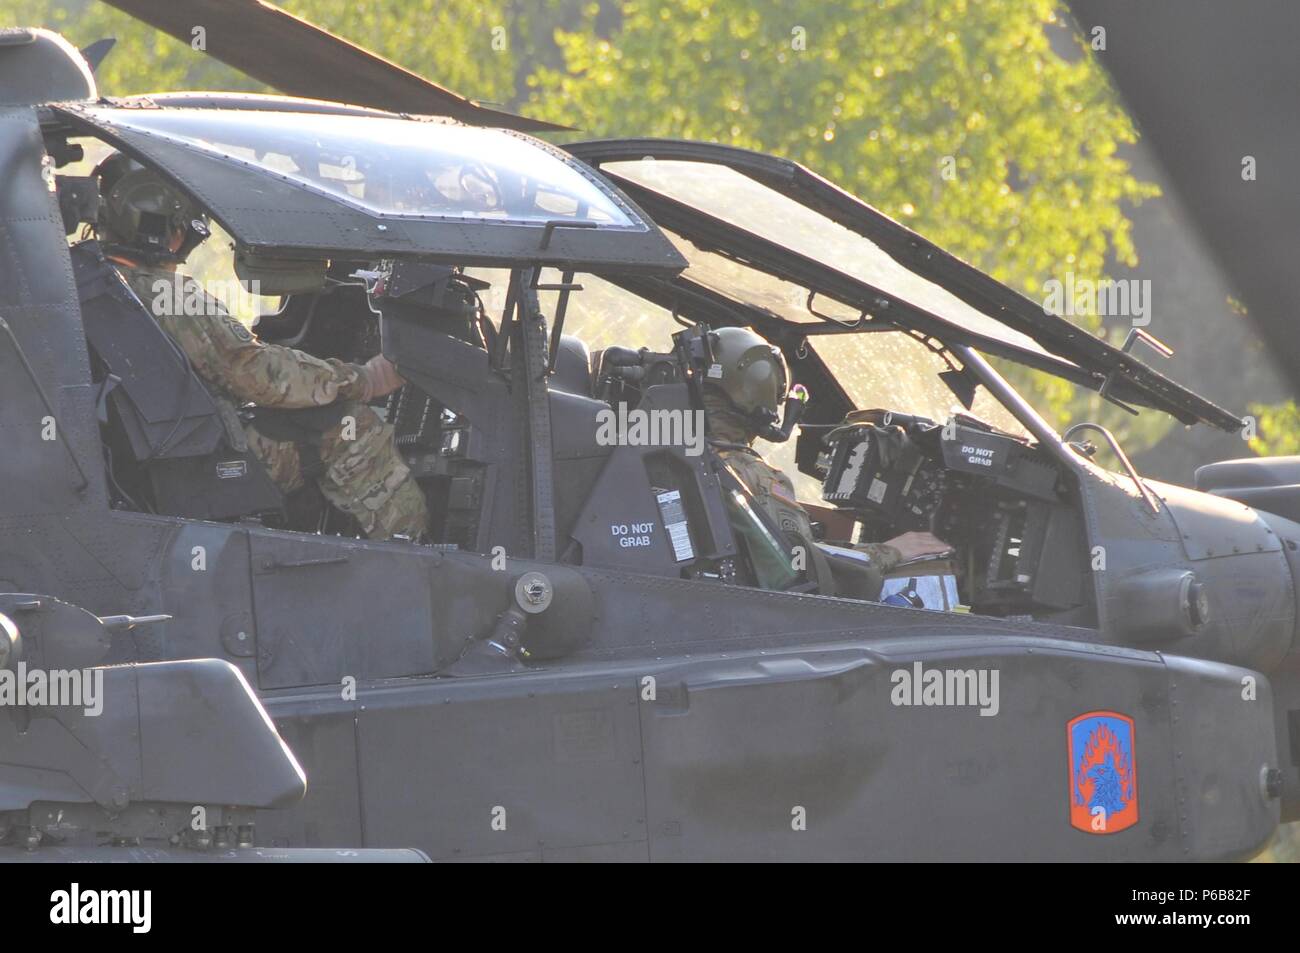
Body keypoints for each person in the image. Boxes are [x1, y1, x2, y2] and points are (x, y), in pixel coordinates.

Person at [93, 153, 428, 540]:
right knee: (352, 427)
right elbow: (256, 375)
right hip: (203, 457)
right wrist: (363, 379)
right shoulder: (166, 294)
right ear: (161, 221)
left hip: (158, 455)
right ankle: (418, 559)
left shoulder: (103, 282)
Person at [702, 326, 949, 597]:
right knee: (935, 583)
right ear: (762, 391)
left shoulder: (676, 454)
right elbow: (803, 570)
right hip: (771, 619)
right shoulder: (748, 477)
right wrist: (893, 550)